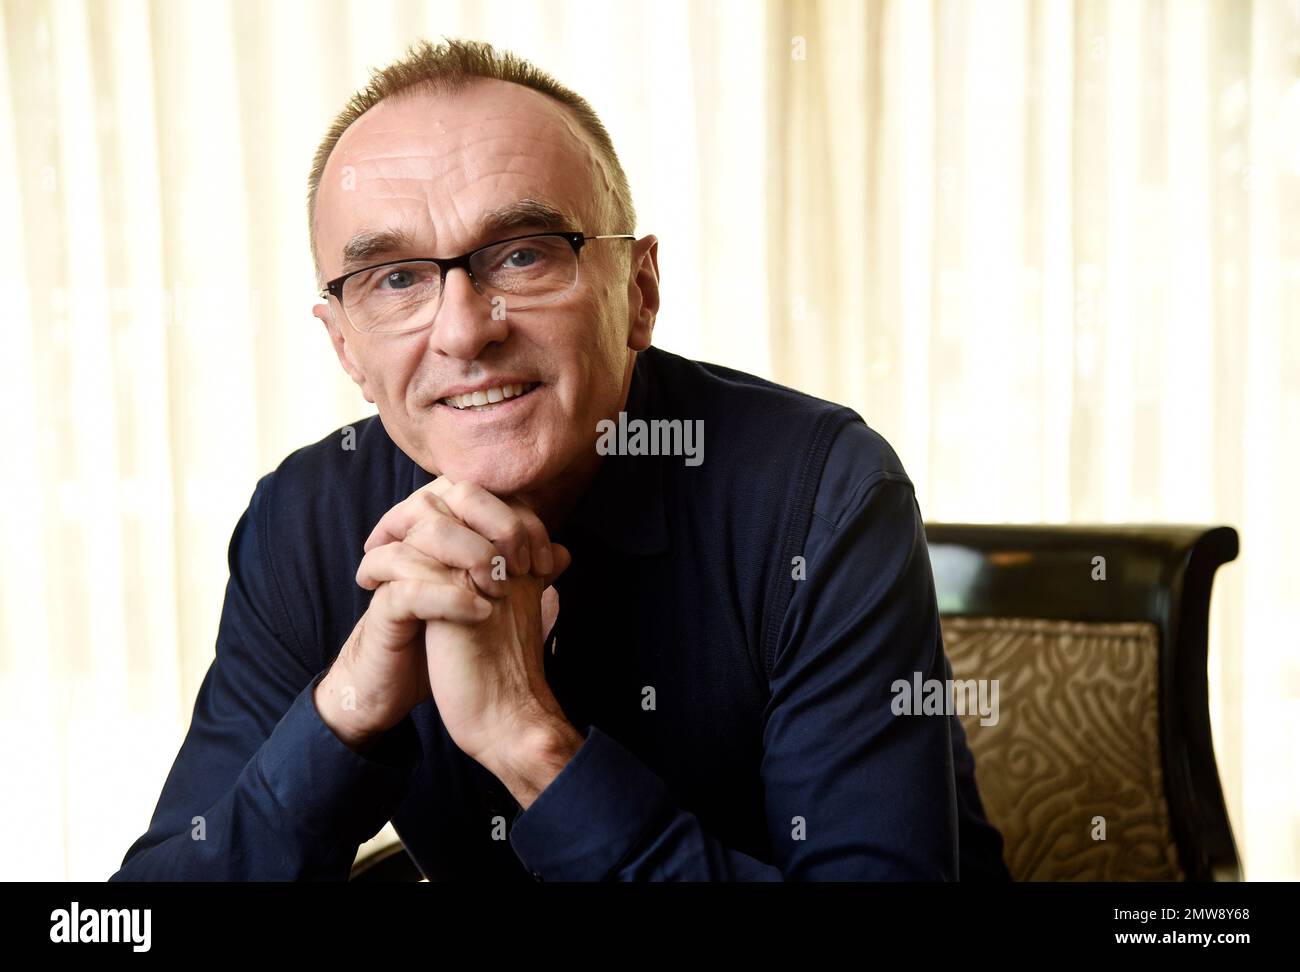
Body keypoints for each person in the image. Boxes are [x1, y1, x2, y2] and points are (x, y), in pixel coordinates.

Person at [111, 37, 1009, 881]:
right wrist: (344, 711)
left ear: (639, 294)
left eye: (525, 255)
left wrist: (530, 742)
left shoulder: (824, 498)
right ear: (346, 347)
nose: (463, 332)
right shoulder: (302, 522)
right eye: (395, 279)